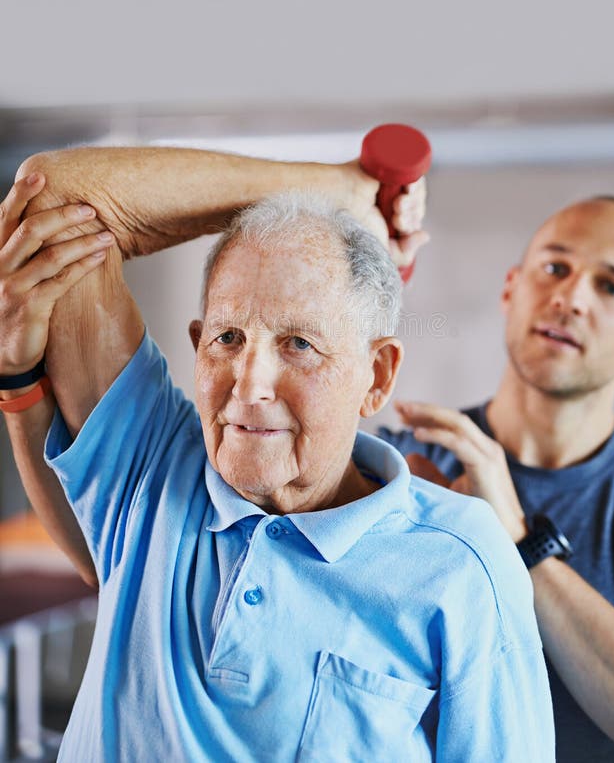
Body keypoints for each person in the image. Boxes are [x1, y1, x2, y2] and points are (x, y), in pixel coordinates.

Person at [0, 149, 554, 761]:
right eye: (227, 338)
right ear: (197, 346)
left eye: (298, 344)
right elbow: (57, 193)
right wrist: (343, 189)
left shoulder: (461, 564)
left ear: (377, 374)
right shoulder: (155, 467)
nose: (248, 383)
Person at [381, 196, 614, 763]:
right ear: (511, 289)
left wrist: (512, 538)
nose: (570, 298)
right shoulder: (394, 467)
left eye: (611, 286)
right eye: (555, 268)